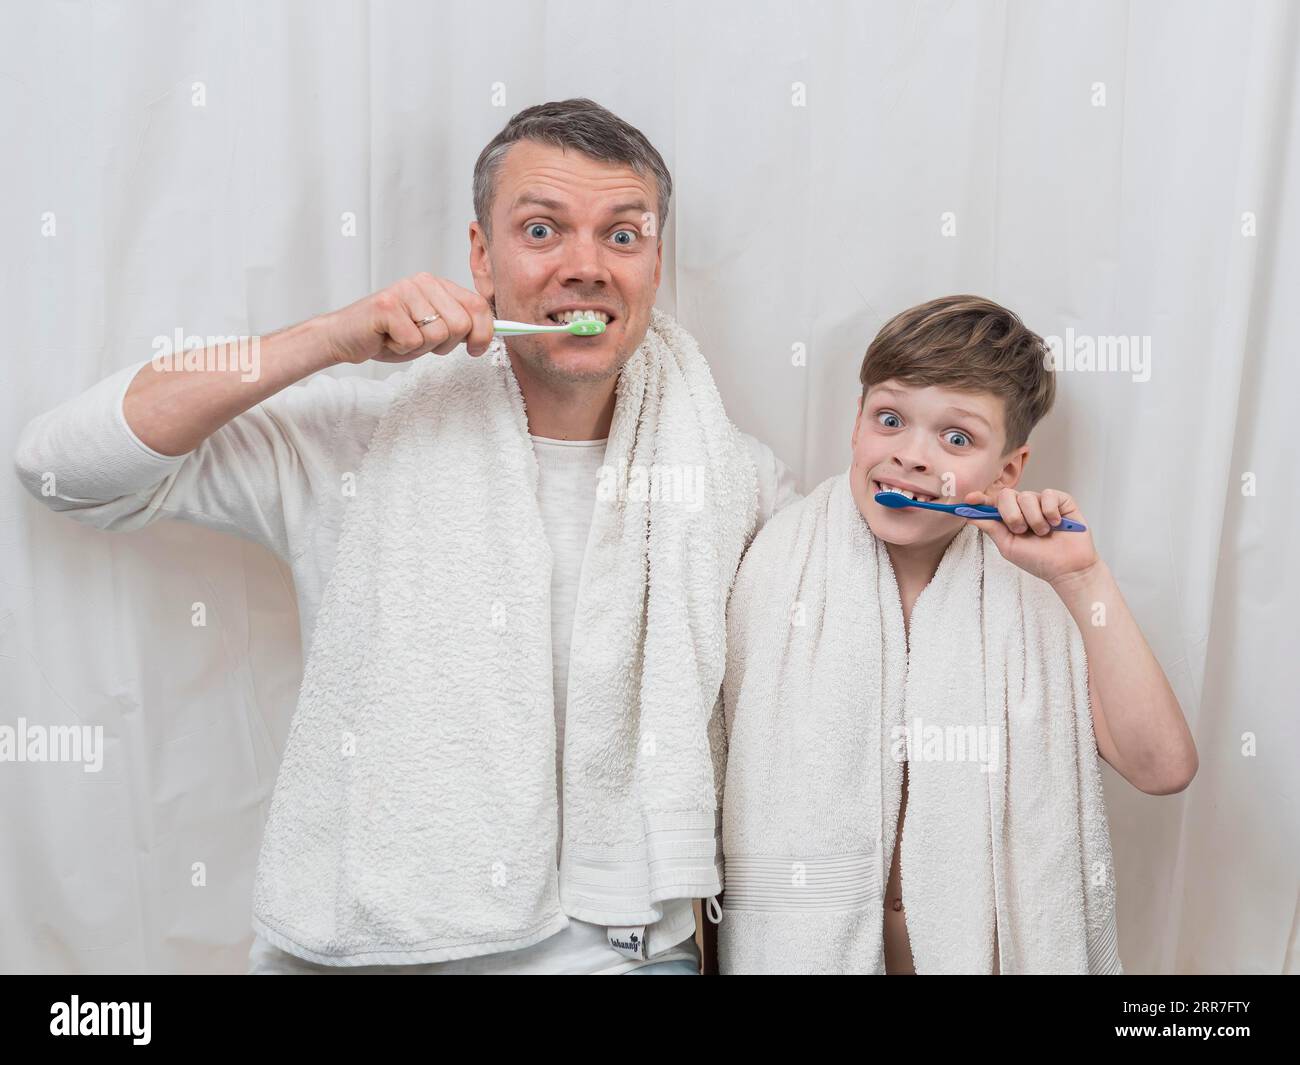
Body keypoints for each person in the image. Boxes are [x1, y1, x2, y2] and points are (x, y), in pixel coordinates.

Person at [14, 98, 799, 975]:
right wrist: (329, 338)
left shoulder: (730, 481)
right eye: (543, 231)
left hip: (620, 952)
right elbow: (62, 468)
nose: (587, 267)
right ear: (481, 258)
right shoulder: (360, 436)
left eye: (623, 236)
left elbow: (826, 659)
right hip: (370, 951)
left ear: (656, 264)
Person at [716, 295, 1196, 974]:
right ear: (856, 426)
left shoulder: (1039, 591)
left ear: (1007, 471)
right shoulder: (771, 563)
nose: (911, 456)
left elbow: (1163, 767)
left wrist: (1083, 580)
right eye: (890, 419)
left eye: (957, 437)